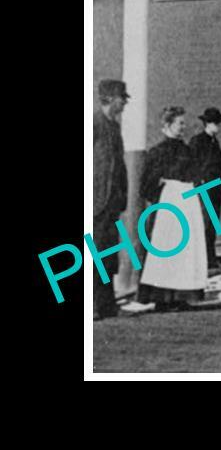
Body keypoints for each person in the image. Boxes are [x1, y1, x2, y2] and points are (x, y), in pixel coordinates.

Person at [136, 106, 207, 311]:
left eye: (184, 123)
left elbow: (196, 175)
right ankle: (161, 298)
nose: (183, 127)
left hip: (186, 206)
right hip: (165, 208)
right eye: (179, 123)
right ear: (167, 125)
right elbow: (145, 185)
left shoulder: (187, 151)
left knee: (184, 250)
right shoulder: (156, 152)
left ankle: (180, 295)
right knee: (164, 249)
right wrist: (160, 187)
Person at [93, 80, 130, 319]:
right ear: (108, 98)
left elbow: (120, 165)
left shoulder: (114, 128)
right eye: (121, 98)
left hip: (111, 203)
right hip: (95, 203)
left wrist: (122, 195)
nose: (124, 102)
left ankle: (107, 305)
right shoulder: (93, 124)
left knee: (108, 255)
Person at [190, 107, 221, 270]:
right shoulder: (197, 141)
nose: (218, 126)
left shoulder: (214, 142)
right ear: (207, 123)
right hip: (204, 189)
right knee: (203, 224)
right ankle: (202, 260)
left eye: (218, 123)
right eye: (215, 123)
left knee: (212, 225)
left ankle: (210, 259)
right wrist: (200, 183)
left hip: (215, 190)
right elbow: (192, 165)